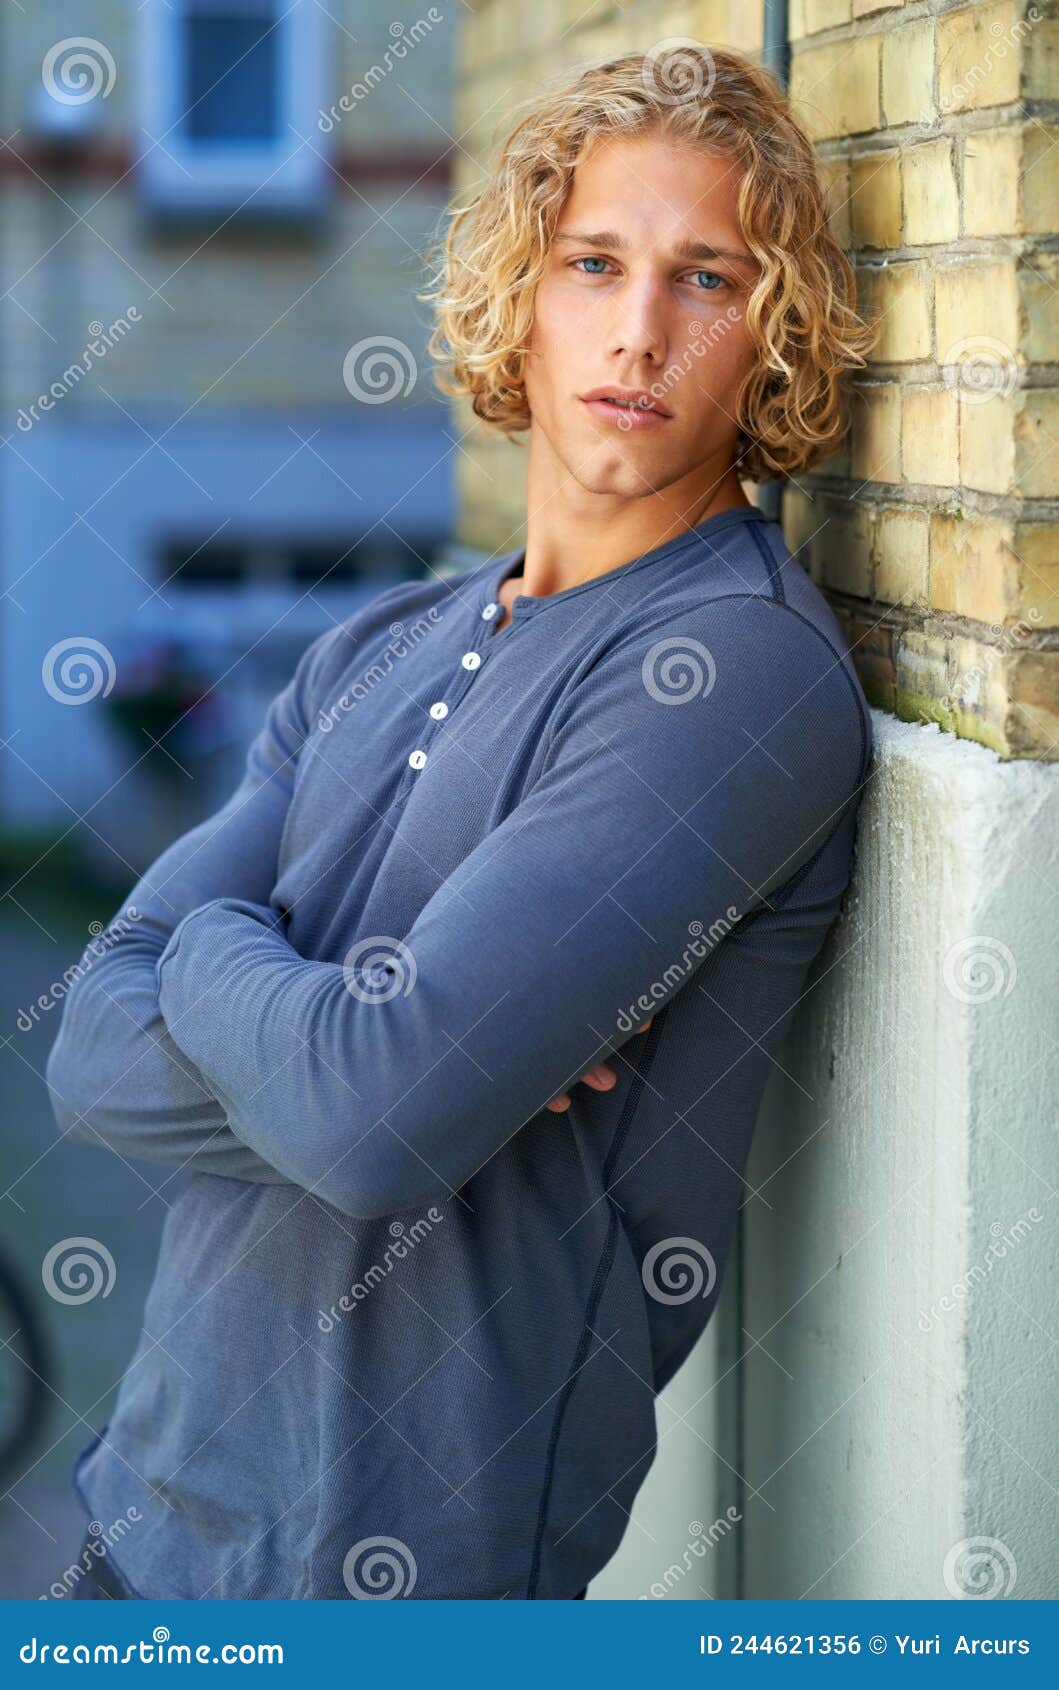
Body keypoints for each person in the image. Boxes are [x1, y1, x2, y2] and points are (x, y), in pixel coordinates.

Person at [46, 45, 876, 1600]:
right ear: (524, 288)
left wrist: (244, 976)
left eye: (709, 277)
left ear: (773, 336)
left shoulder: (735, 667)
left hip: (408, 1567)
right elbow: (90, 1045)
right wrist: (365, 1035)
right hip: (145, 1511)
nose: (640, 327)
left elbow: (371, 1121)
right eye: (595, 263)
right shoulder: (377, 647)